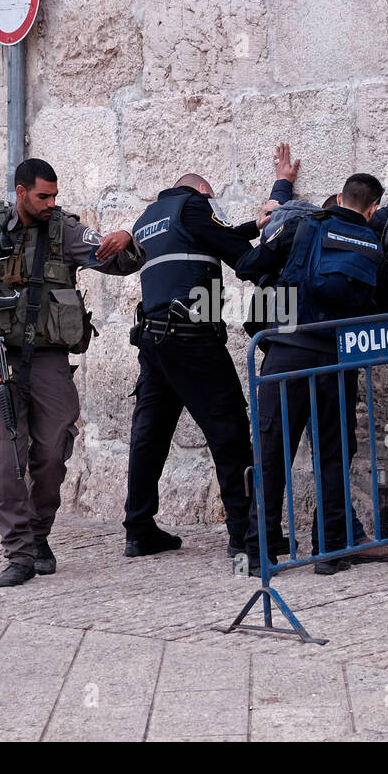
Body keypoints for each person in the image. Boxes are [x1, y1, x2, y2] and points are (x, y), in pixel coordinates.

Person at [236, 135, 388, 576]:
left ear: (337, 198)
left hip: (286, 353)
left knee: (272, 451)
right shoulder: (372, 235)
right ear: (370, 209)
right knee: (333, 454)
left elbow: (247, 268)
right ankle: (332, 549)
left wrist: (280, 192)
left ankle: (260, 554)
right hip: (337, 359)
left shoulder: (302, 225)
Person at [0, 158, 145, 587]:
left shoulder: (65, 231)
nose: (51, 203)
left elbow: (117, 262)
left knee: (53, 453)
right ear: (21, 192)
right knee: (7, 460)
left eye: (55, 195)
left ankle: (39, 535)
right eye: (43, 196)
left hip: (51, 362)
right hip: (4, 359)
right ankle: (18, 552)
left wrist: (127, 240)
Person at [121, 147, 299, 560]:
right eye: (211, 199)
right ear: (201, 190)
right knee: (230, 432)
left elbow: (210, 237)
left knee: (149, 435)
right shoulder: (195, 205)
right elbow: (242, 260)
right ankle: (247, 537)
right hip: (190, 337)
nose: (212, 206)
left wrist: (252, 224)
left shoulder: (147, 219)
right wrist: (279, 237)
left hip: (153, 340)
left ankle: (138, 528)